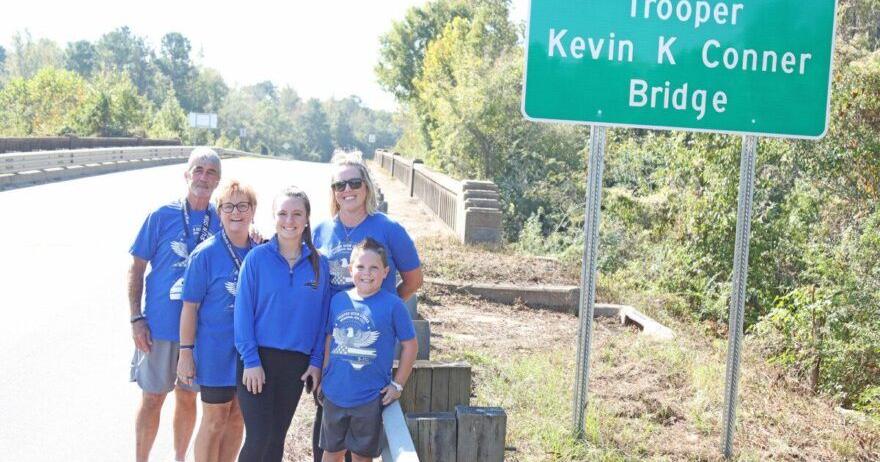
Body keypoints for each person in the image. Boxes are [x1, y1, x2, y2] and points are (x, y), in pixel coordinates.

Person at [310, 151, 423, 461]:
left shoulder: (389, 229)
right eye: (339, 185)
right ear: (332, 192)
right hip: (333, 350)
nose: (347, 190)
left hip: (369, 360)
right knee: (327, 445)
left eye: (354, 182)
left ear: (367, 186)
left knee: (361, 450)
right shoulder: (321, 231)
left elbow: (414, 279)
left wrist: (382, 312)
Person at [129, 147, 223, 462]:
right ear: (187, 174)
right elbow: (137, 269)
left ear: (217, 181)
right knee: (153, 398)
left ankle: (179, 458)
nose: (204, 177)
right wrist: (136, 318)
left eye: (211, 172)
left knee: (187, 398)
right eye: (198, 169)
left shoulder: (222, 221)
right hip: (159, 327)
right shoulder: (161, 216)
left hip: (199, 333)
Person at [234, 186, 330, 462]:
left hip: (296, 364)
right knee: (258, 438)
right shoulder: (256, 259)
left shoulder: (318, 265)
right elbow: (242, 314)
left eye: (297, 214)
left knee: (276, 439)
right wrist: (251, 360)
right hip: (257, 361)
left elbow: (322, 318)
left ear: (307, 218)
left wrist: (315, 362)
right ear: (273, 218)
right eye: (283, 213)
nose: (290, 220)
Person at [177, 180, 258, 462]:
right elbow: (189, 307)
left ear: (253, 212)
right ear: (220, 212)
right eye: (228, 207)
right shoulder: (205, 254)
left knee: (238, 419)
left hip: (249, 354)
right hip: (214, 351)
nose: (236, 213)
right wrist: (186, 353)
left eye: (242, 206)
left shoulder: (260, 253)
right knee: (214, 420)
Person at [317, 238, 418, 462]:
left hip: (369, 398)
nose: (366, 273)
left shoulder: (394, 305)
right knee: (331, 453)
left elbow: (411, 345)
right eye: (360, 267)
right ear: (350, 269)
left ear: (385, 272)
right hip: (335, 393)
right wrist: (325, 376)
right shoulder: (338, 300)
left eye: (374, 268)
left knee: (362, 457)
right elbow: (329, 338)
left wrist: (397, 384)